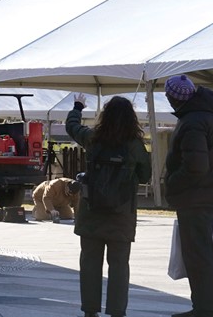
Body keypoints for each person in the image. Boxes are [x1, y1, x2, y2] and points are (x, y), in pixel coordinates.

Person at [66, 93, 152, 317]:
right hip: (122, 213)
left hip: (91, 211)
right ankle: (116, 311)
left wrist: (77, 107)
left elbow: (71, 126)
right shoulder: (134, 145)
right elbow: (145, 175)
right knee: (119, 265)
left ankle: (90, 310)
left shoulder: (93, 138)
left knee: (90, 263)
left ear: (105, 115)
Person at [163, 74, 213, 317]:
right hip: (209, 193)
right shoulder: (211, 113)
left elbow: (196, 166)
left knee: (197, 255)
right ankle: (204, 306)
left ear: (174, 98)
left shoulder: (193, 121)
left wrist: (171, 183)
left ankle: (205, 308)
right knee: (200, 253)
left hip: (196, 197)